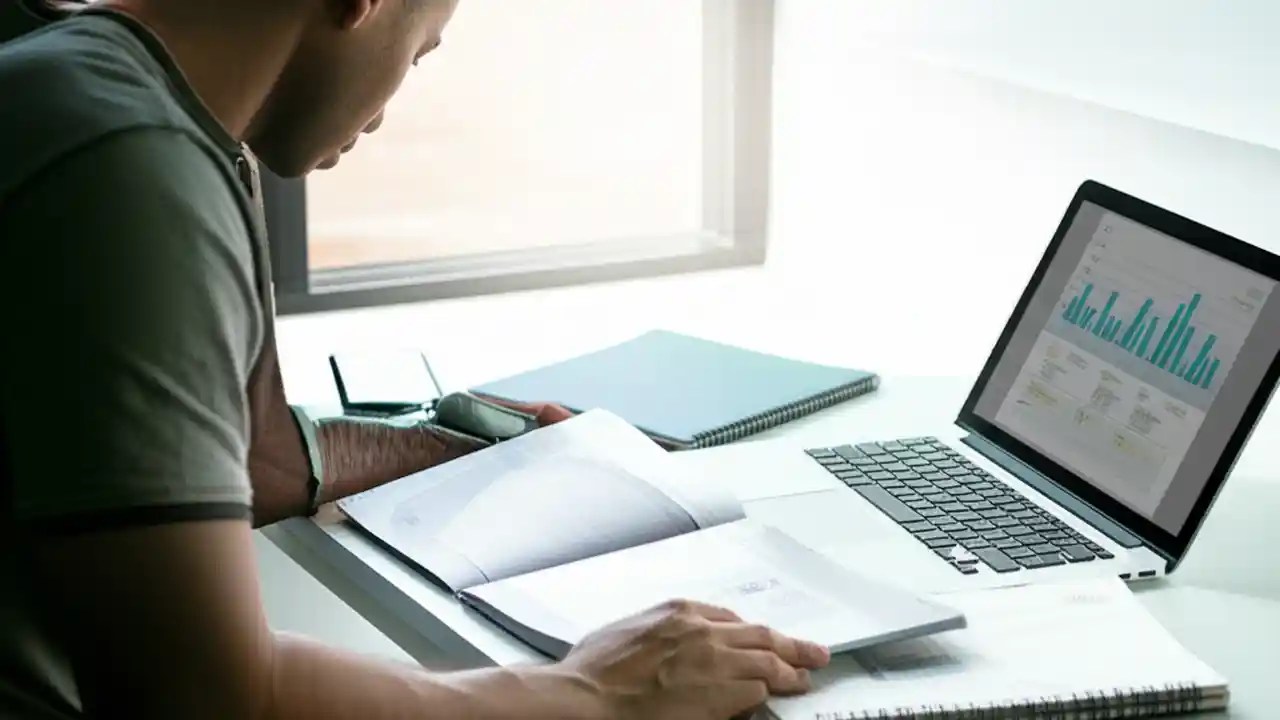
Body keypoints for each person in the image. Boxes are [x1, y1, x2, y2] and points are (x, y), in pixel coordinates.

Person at [0, 0, 831, 718]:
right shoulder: (129, 166)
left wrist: (453, 446)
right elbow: (205, 700)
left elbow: (245, 459)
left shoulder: (90, 89)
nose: (390, 104)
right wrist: (592, 694)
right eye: (419, 47)